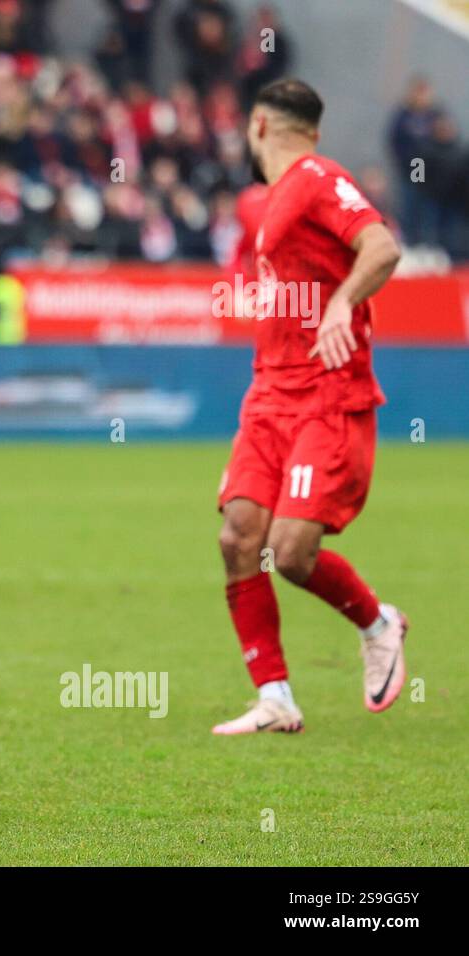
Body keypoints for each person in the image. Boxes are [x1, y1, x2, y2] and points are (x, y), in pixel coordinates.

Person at [213, 79, 406, 735]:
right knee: (239, 536)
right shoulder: (268, 201)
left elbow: (382, 246)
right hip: (269, 394)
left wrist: (344, 302)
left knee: (291, 553)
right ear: (312, 129)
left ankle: (379, 623)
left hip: (326, 393)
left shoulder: (319, 179)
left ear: (258, 126)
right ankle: (275, 696)